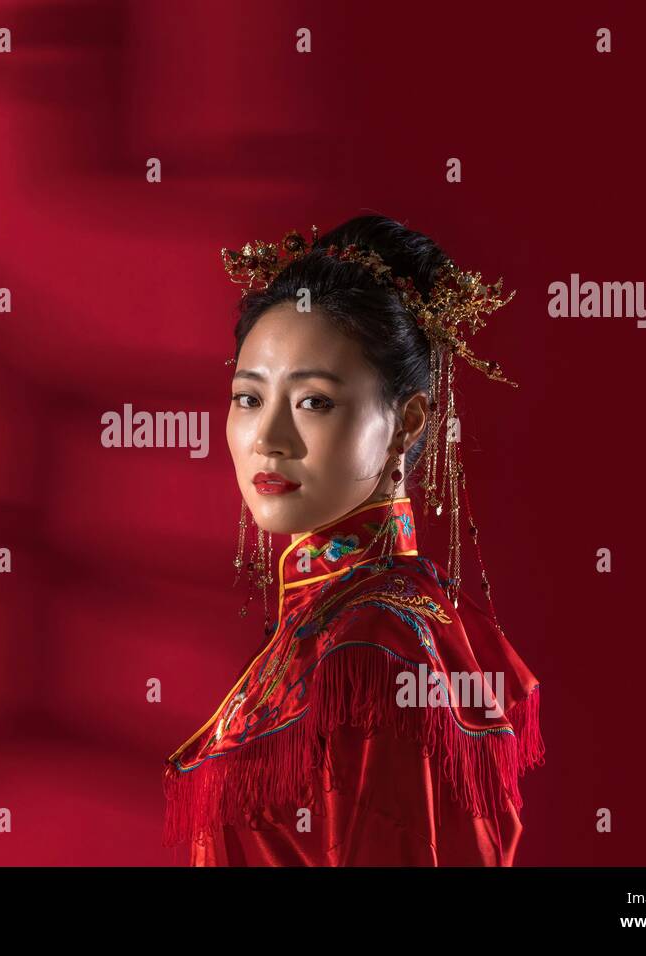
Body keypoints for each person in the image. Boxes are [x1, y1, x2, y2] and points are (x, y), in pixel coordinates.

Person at [162, 214, 545, 866]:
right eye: (248, 398)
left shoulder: (373, 643)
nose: (269, 438)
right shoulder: (355, 621)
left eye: (314, 402)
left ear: (407, 422)